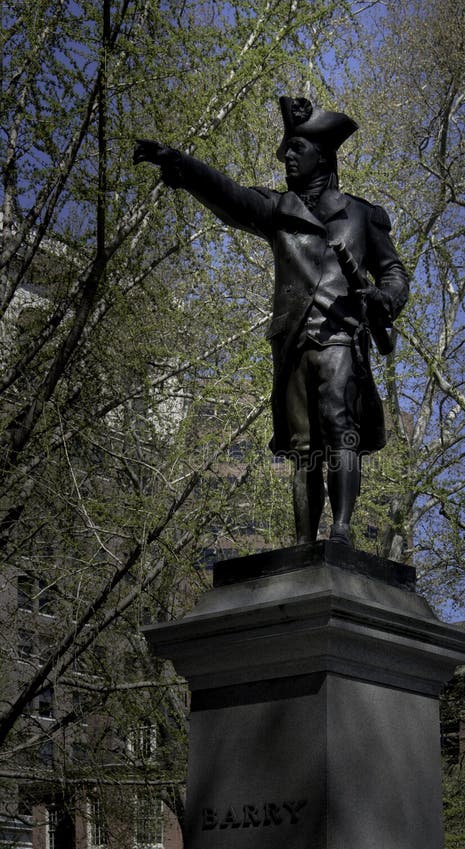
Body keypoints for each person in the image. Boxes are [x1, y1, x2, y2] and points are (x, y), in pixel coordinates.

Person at [134, 96, 409, 546]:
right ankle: (304, 543)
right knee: (304, 449)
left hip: (341, 335)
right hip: (295, 342)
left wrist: (385, 296)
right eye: (286, 151)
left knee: (340, 427)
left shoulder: (361, 215)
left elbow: (395, 272)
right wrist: (181, 165)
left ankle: (340, 532)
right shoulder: (279, 211)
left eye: (297, 149)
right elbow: (230, 195)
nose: (287, 158)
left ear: (323, 155)